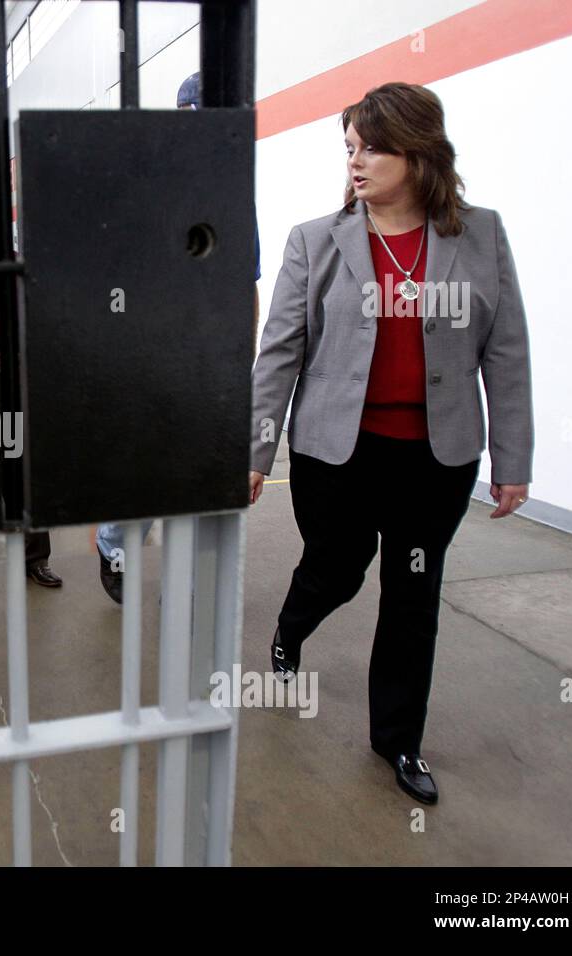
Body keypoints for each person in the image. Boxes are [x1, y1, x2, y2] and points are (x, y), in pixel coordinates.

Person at [248, 82, 533, 804]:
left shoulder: (480, 234)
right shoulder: (316, 241)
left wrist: (513, 459)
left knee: (413, 594)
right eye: (350, 148)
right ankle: (292, 625)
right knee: (339, 567)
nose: (357, 161)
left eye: (373, 146)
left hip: (435, 458)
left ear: (419, 150)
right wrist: (254, 452)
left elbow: (506, 351)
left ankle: (399, 742)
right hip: (336, 452)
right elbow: (280, 351)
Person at [95, 71, 263, 604]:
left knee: (200, 479)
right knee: (147, 477)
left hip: (209, 361)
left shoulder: (236, 198)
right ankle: (113, 544)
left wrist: (244, 355)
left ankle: (193, 581)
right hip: (148, 358)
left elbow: (245, 281)